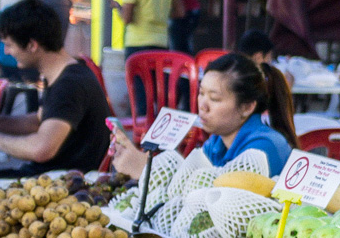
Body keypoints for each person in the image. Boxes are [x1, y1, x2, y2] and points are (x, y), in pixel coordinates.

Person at [111, 52, 296, 179]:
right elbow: (191, 179)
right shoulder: (215, 143)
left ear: (247, 107)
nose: (203, 106)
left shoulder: (264, 148)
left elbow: (218, 199)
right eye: (201, 93)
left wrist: (148, 170)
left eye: (214, 98)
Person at [0, 0, 111, 175]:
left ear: (32, 45)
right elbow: (39, 121)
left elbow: (42, 149)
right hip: (48, 176)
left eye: (9, 45)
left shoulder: (70, 84)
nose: (6, 52)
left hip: (58, 184)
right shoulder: (62, 73)